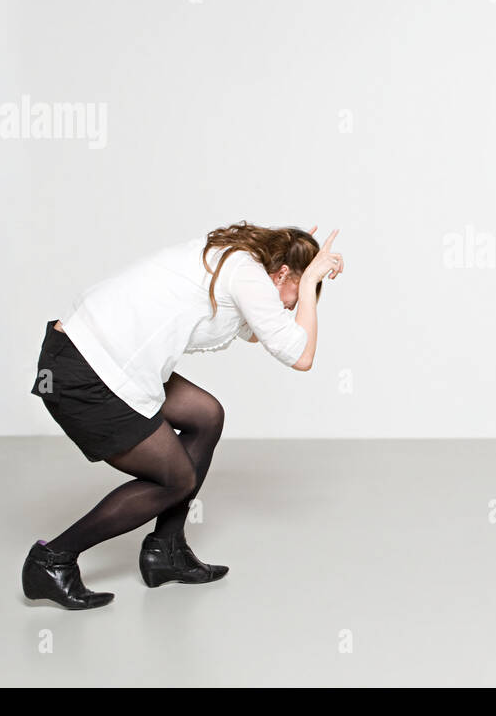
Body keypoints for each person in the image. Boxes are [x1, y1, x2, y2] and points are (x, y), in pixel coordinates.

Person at [22, 223, 344, 608]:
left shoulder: (239, 267)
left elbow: (260, 332)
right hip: (83, 372)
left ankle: (166, 551)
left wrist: (299, 271)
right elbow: (301, 356)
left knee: (206, 415)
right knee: (175, 481)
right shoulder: (246, 273)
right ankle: (52, 560)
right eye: (295, 293)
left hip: (90, 358)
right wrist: (308, 283)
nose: (293, 307)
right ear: (281, 274)